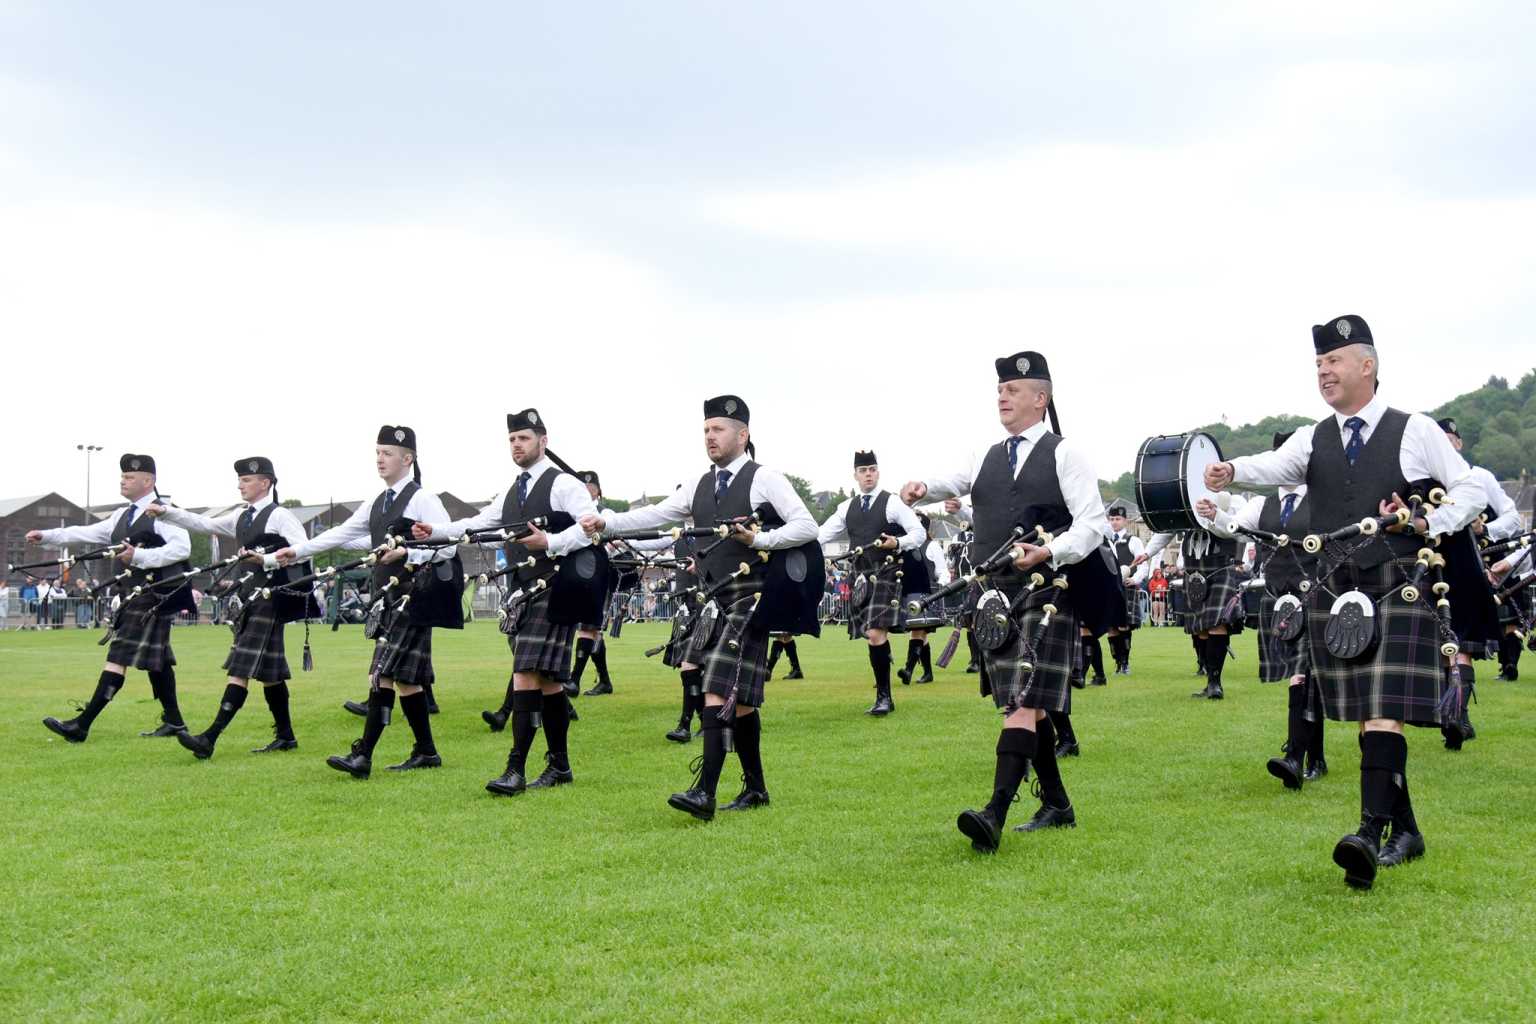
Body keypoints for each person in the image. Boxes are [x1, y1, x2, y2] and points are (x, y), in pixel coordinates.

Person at [1205, 314, 1485, 890]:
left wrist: (1432, 517)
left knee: (1381, 709)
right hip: (1337, 587)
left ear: (1367, 365)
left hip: (1397, 580)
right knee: (1365, 716)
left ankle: (1368, 831)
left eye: (1332, 362)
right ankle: (1406, 831)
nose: (1323, 372)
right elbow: (1276, 466)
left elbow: (1472, 486)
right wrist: (1232, 469)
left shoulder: (1415, 430)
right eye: (1318, 365)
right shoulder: (1314, 436)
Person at [902, 351, 1112, 853]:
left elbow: (1093, 523)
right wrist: (923, 486)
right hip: (994, 593)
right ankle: (1058, 803)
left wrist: (1050, 550)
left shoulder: (1066, 454)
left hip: (1047, 593)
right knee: (1029, 706)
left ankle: (993, 812)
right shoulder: (988, 454)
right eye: (999, 390)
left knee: (1020, 703)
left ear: (1040, 399)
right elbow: (958, 481)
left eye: (1013, 390)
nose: (1003, 396)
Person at [582, 395, 819, 821]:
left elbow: (807, 526)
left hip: (751, 598)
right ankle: (757, 789)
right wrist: (608, 521)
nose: (710, 436)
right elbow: (656, 514)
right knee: (741, 703)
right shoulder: (698, 484)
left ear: (742, 435)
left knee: (716, 688)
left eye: (719, 429)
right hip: (714, 599)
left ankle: (704, 791)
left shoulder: (765, 478)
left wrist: (760, 540)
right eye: (706, 429)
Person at [421, 409, 597, 795]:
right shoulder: (513, 490)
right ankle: (560, 766)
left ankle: (515, 769)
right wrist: (435, 531)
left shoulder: (562, 483)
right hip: (524, 590)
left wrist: (551, 542)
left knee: (525, 675)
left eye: (524, 438)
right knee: (549, 684)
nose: (517, 445)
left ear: (543, 441)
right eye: (513, 439)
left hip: (554, 588)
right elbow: (481, 522)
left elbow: (591, 526)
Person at [274, 426, 459, 778]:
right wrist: (297, 550)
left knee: (383, 674)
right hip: (388, 598)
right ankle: (427, 751)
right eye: (377, 452)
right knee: (406, 680)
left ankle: (363, 756)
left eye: (387, 453)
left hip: (413, 596)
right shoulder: (378, 501)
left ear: (408, 459)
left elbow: (448, 545)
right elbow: (342, 533)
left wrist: (408, 549)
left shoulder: (424, 499)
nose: (380, 459)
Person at [148, 457, 314, 759]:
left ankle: (209, 738)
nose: (240, 485)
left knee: (240, 668)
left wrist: (265, 559)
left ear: (265, 483)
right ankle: (286, 736)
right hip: (251, 599)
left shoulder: (281, 516)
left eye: (247, 480)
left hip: (271, 598)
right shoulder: (242, 516)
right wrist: (167, 512)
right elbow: (203, 523)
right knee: (270, 673)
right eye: (240, 480)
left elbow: (302, 552)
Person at [34, 454, 193, 742]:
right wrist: (47, 536)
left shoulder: (165, 512)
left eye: (130, 477)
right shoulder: (122, 515)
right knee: (157, 661)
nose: (123, 480)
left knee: (118, 656)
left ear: (149, 481)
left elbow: (182, 549)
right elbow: (86, 532)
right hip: (132, 594)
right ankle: (175, 723)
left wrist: (140, 556)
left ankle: (81, 725)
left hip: (154, 594)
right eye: (122, 476)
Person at [1199, 431, 1325, 788]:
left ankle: (1295, 757)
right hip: (1278, 599)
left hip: (1316, 596)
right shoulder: (1263, 505)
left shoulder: (1323, 500)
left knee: (1302, 676)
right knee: (1300, 678)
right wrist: (1214, 517)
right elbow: (1236, 529)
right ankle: (1314, 756)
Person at [817, 449, 926, 716]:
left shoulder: (892, 503)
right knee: (871, 634)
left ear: (878, 472)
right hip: (860, 575)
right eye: (864, 470)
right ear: (855, 475)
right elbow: (820, 535)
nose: (869, 474)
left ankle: (884, 698)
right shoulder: (846, 507)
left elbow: (919, 532)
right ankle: (884, 667)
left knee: (876, 633)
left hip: (887, 572)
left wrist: (898, 542)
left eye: (873, 469)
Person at [1438, 417, 1522, 699]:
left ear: (1459, 443)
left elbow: (1512, 517)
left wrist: (1486, 528)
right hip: (1432, 567)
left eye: (1450, 440)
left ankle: (1457, 714)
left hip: (1474, 563)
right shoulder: (1424, 480)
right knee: (1440, 641)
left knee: (1464, 640)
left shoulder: (1479, 477)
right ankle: (1451, 712)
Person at [1137, 497, 1248, 699]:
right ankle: (1209, 682)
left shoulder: (1229, 500)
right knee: (1201, 628)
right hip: (1193, 570)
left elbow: (1237, 530)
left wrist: (1215, 514)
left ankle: (1215, 683)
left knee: (1217, 623)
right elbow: (1168, 529)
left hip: (1220, 567)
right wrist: (1147, 553)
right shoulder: (1186, 499)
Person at [1103, 506, 1147, 674]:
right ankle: (1117, 663)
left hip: (1126, 588)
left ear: (1125, 521)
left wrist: (1135, 579)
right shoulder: (1106, 541)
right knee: (1111, 628)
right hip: (1109, 590)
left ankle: (1125, 663)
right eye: (1112, 519)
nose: (1114, 522)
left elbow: (1143, 564)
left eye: (1118, 519)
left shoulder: (1133, 541)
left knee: (1123, 627)